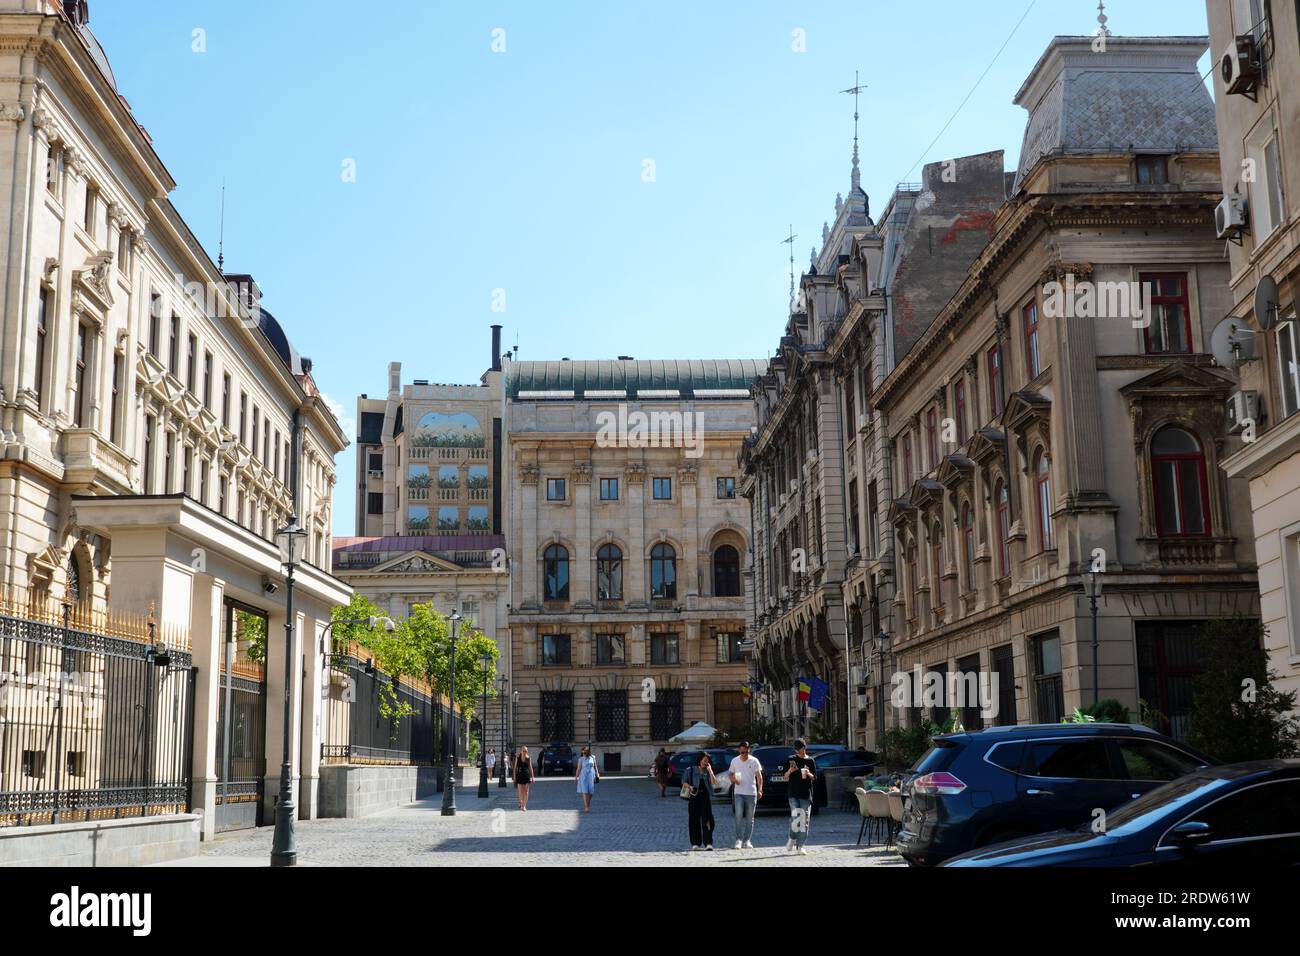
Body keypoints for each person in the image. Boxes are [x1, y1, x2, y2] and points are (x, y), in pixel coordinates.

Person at [782, 738, 817, 855]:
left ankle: (800, 846)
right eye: (796, 750)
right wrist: (790, 771)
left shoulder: (810, 761)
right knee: (796, 817)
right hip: (793, 793)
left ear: (804, 748)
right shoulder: (791, 760)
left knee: (804, 820)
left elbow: (815, 777)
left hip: (806, 794)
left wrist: (808, 773)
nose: (797, 752)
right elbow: (785, 777)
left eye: (799, 749)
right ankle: (792, 838)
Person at [727, 741, 763, 849]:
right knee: (738, 816)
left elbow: (759, 776)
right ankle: (738, 839)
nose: (744, 754)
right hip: (738, 793)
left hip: (751, 793)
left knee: (750, 818)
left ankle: (747, 840)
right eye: (742, 752)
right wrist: (734, 780)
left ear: (749, 750)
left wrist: (760, 789)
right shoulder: (735, 761)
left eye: (746, 752)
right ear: (739, 751)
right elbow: (730, 774)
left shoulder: (754, 761)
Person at [681, 751, 717, 851]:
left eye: (708, 761)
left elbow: (714, 783)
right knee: (694, 820)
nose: (706, 762)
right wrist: (690, 787)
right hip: (694, 797)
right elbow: (683, 782)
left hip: (705, 797)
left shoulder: (708, 771)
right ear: (700, 760)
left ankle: (708, 843)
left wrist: (710, 771)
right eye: (704, 760)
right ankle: (695, 843)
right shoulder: (691, 770)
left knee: (708, 820)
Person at [575, 746, 599, 811]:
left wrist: (597, 773)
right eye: (583, 752)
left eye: (586, 752)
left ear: (588, 751)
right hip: (583, 776)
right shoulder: (581, 759)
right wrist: (576, 778)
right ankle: (586, 806)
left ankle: (588, 803)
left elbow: (595, 766)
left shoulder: (593, 757)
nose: (585, 753)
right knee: (585, 791)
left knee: (591, 791)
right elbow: (578, 769)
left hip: (591, 775)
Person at [515, 745, 535, 810]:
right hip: (519, 776)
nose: (525, 752)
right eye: (523, 751)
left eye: (526, 751)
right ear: (521, 751)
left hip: (526, 776)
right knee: (520, 791)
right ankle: (521, 802)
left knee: (526, 791)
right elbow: (515, 768)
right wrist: (514, 777)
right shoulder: (517, 758)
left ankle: (524, 806)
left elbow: (530, 768)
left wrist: (533, 777)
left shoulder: (528, 758)